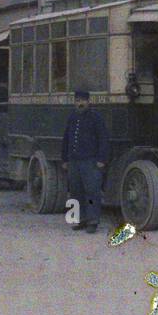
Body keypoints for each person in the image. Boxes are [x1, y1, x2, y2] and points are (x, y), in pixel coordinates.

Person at [61, 88, 110, 234]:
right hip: (74, 161)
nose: (79, 104)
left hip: (90, 161)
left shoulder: (96, 118)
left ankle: (93, 221)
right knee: (76, 191)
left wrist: (102, 159)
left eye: (82, 101)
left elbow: (103, 139)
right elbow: (66, 139)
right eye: (77, 101)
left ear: (88, 102)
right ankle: (80, 219)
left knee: (92, 192)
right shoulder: (72, 118)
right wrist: (64, 159)